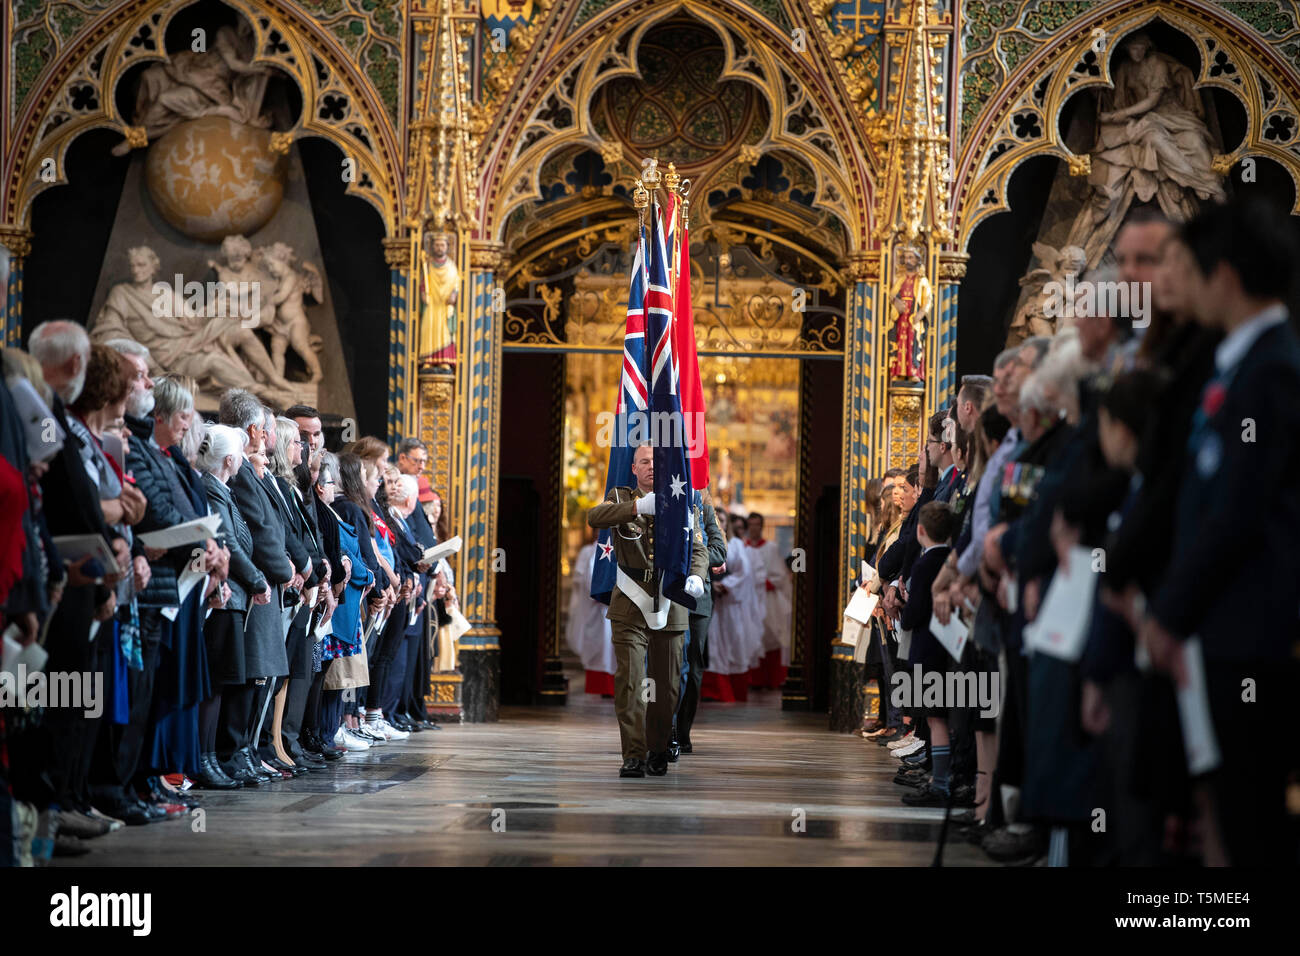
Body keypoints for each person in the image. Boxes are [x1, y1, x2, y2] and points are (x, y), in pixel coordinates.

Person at [1139, 199, 1300, 866]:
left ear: (1225, 275)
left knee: (1248, 821)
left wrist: (1168, 616)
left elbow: (1236, 510)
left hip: (1249, 635)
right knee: (1219, 817)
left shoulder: (1271, 371)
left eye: (1191, 267)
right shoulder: (1241, 363)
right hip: (1220, 629)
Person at [586, 443, 708, 778]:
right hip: (630, 601)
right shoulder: (621, 495)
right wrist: (637, 506)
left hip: (669, 599)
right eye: (644, 461)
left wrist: (696, 576)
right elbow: (594, 517)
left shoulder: (681, 497)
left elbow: (696, 544)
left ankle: (657, 748)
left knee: (666, 685)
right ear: (634, 469)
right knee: (632, 682)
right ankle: (633, 754)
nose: (652, 466)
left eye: (657, 461)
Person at [673, 488, 726, 755]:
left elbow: (720, 552)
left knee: (694, 669)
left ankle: (683, 731)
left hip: (700, 599)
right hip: (671, 594)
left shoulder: (703, 505)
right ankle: (667, 730)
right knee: (674, 664)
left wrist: (693, 551)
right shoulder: (665, 499)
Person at [566, 529, 616, 695]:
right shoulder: (589, 551)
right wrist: (600, 592)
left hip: (612, 606)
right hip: (596, 607)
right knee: (599, 645)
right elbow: (583, 579)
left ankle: (613, 687)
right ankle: (600, 686)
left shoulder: (618, 547)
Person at [744, 511, 790, 689]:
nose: (754, 528)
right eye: (751, 524)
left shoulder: (770, 548)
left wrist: (765, 582)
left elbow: (780, 575)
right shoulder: (742, 547)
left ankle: (772, 679)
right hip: (748, 599)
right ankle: (753, 680)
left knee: (771, 636)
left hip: (767, 599)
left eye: (757, 524)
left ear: (761, 527)